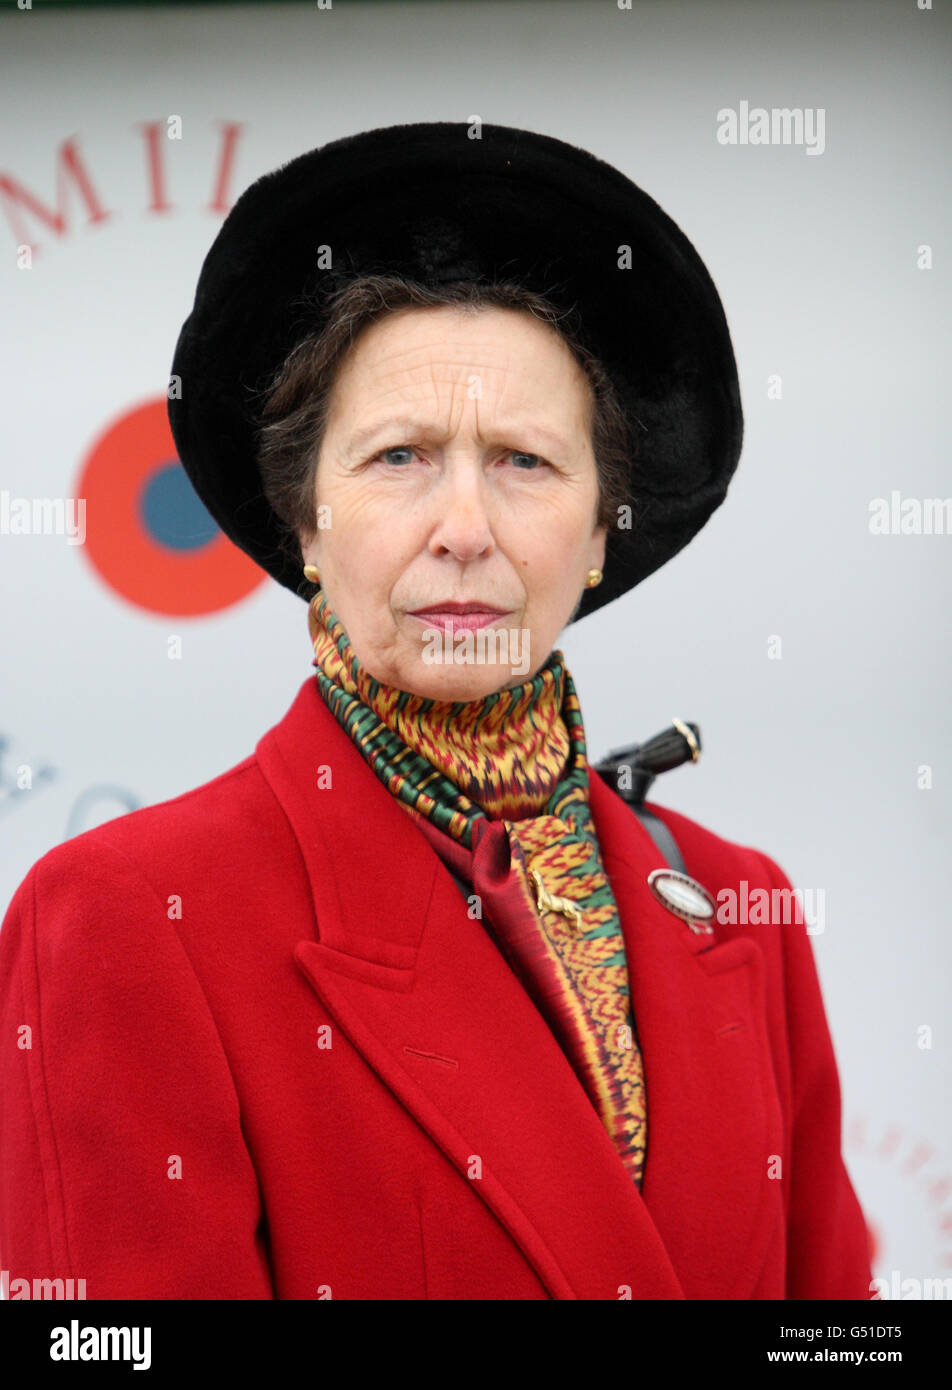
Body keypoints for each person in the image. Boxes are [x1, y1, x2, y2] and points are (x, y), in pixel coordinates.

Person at [0, 121, 873, 1300]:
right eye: (400, 457)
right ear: (304, 521)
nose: (464, 527)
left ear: (601, 535)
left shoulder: (742, 913)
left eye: (523, 461)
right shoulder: (122, 919)